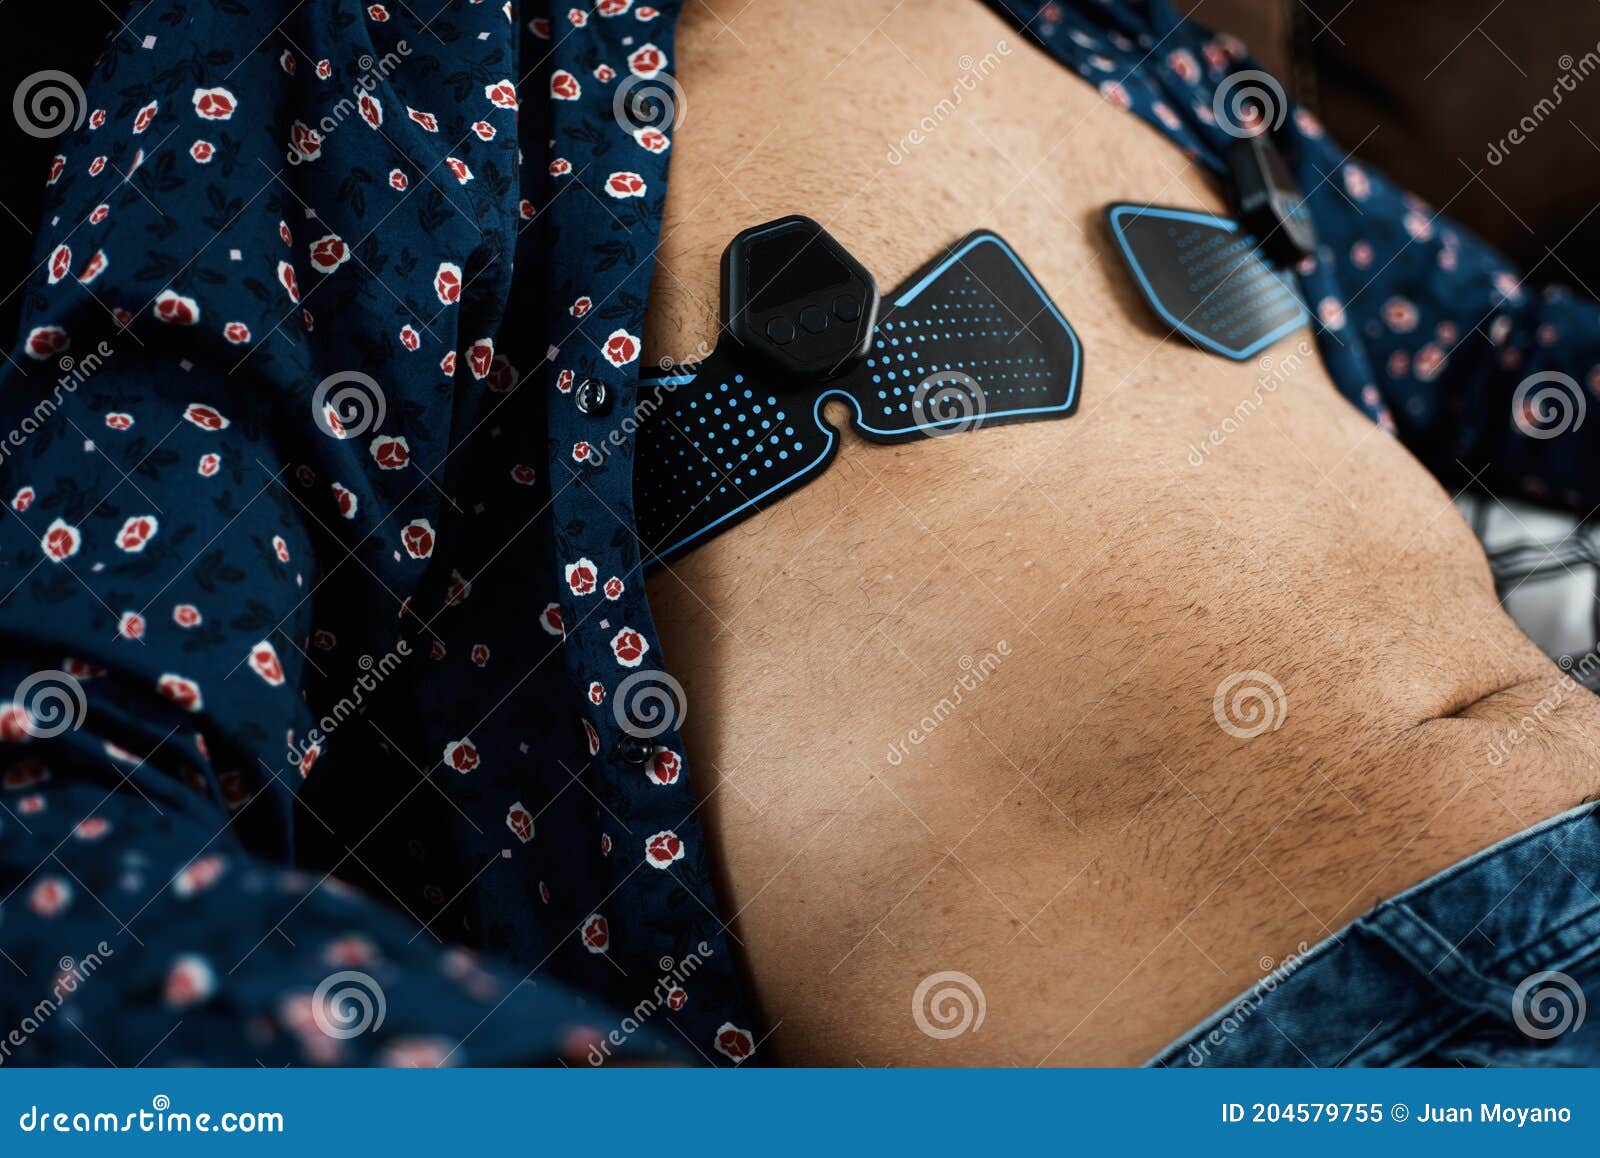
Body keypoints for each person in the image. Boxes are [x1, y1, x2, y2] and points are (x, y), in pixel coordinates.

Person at [1, 0, 1596, 1068]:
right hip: (1335, 1040)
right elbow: (61, 819)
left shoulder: (1117, 39)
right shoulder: (364, 52)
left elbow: (1505, 360)